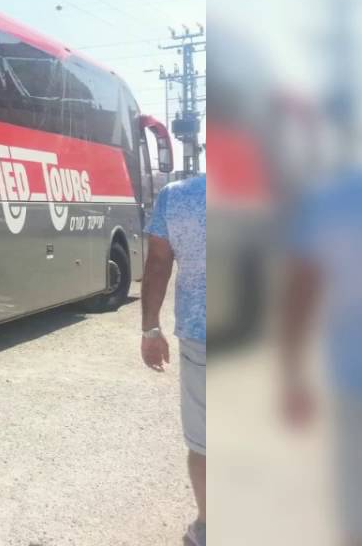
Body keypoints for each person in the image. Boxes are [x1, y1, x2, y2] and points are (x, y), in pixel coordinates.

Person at [282, 167, 362, 546]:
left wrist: (294, 377)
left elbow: (301, 293)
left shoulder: (329, 200)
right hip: (351, 380)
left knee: (354, 506)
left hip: (352, 381)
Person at [140, 174, 206, 546]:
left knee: (204, 442)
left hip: (203, 336)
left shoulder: (176, 196)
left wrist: (150, 329)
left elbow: (158, 264)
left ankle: (210, 528)